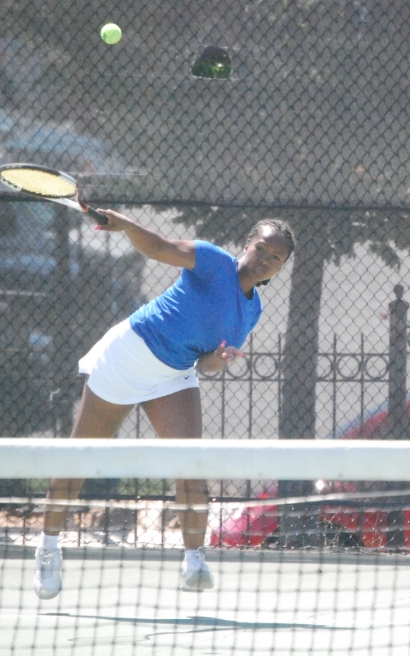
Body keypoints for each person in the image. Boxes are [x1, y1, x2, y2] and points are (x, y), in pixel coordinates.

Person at [33, 214, 295, 600]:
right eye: (262, 249)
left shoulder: (251, 310)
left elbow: (205, 362)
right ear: (247, 244)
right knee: (80, 459)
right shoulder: (211, 262)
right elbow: (158, 247)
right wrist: (125, 225)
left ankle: (194, 561)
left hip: (174, 375)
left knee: (190, 465)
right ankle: (48, 547)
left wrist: (218, 361)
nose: (266, 259)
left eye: (276, 257)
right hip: (127, 357)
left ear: (281, 267)